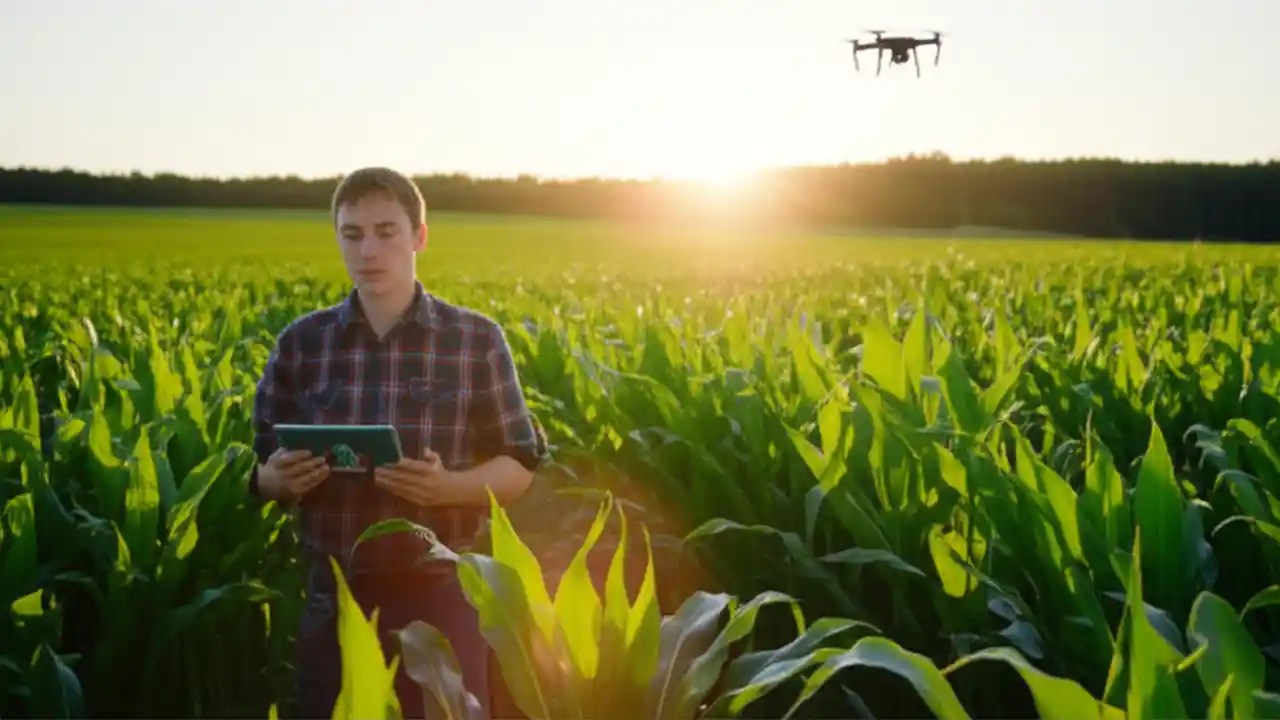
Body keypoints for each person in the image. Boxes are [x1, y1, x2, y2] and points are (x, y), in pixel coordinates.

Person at [248, 166, 546, 719]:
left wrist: (448, 488)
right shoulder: (302, 343)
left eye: (386, 231)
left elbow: (521, 463)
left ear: (419, 237)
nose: (369, 251)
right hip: (333, 592)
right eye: (352, 234)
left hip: (442, 590)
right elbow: (258, 466)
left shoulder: (474, 340)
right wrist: (277, 479)